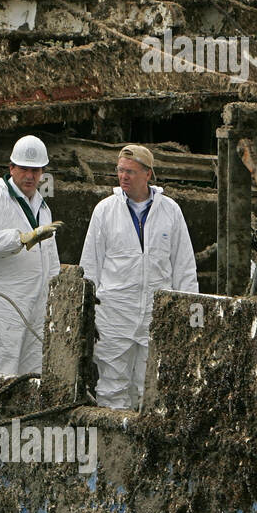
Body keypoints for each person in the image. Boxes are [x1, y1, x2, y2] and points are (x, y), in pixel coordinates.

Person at [80, 145, 198, 410]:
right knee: (112, 387)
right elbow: (90, 266)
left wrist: (189, 314)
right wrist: (88, 314)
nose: (123, 177)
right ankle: (113, 448)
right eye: (121, 170)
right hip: (114, 316)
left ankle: (144, 447)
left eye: (130, 172)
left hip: (155, 316)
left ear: (148, 174)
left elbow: (184, 268)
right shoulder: (105, 211)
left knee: (150, 387)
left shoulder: (170, 211)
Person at [0, 135, 62, 375]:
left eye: (36, 170)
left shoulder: (41, 206)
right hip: (4, 304)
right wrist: (19, 238)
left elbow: (49, 256)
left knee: (34, 372)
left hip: (37, 303)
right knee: (1, 369)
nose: (30, 176)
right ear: (11, 168)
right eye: (24, 169)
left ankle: (23, 415)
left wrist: (57, 291)